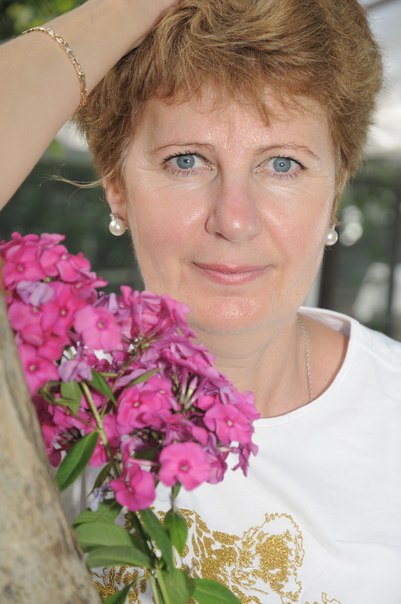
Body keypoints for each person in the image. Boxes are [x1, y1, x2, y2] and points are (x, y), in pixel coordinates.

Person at [1, 0, 401, 602]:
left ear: (336, 189)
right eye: (186, 161)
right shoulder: (49, 406)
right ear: (116, 184)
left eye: (283, 164)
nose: (234, 220)